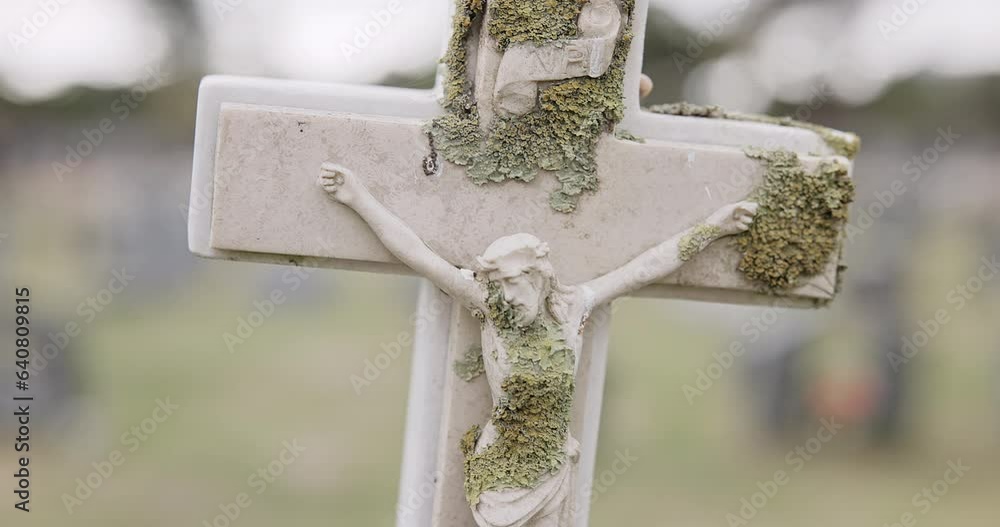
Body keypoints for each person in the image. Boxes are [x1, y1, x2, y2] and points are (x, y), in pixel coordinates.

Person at [319, 162, 757, 526]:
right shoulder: (491, 308)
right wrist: (358, 198)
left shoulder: (574, 308)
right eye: (500, 284)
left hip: (551, 467)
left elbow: (647, 267)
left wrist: (714, 227)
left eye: (515, 282)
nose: (509, 295)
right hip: (501, 471)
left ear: (540, 277)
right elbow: (416, 253)